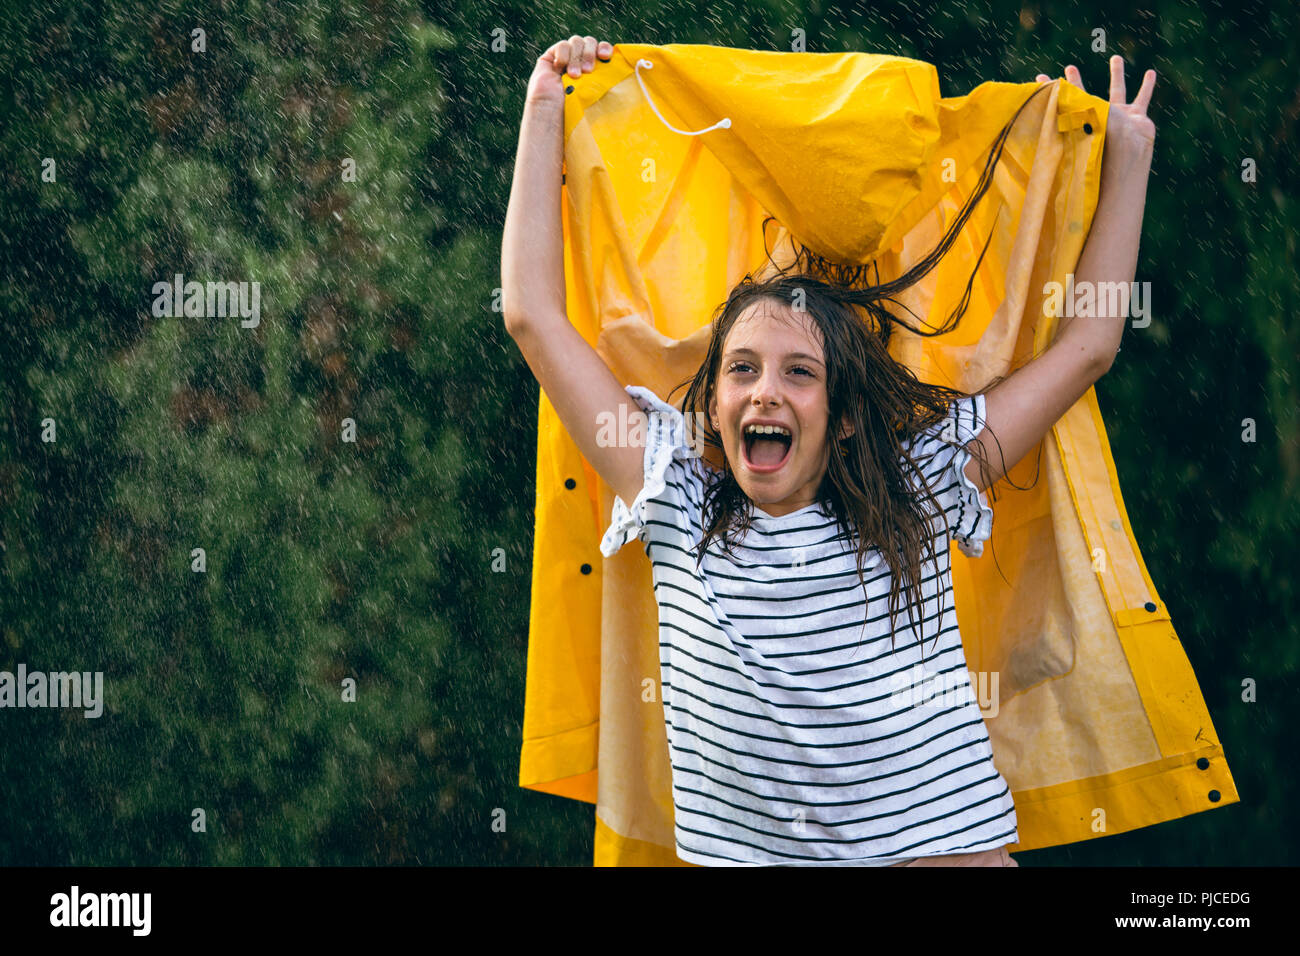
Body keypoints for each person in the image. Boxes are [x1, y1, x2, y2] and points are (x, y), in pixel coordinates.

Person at [502, 35, 1156, 866]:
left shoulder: (919, 484)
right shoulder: (673, 493)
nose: (765, 391)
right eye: (742, 369)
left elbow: (1088, 347)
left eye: (798, 373)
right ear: (713, 402)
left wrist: (1124, 158)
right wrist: (543, 107)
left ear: (844, 415)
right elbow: (532, 317)